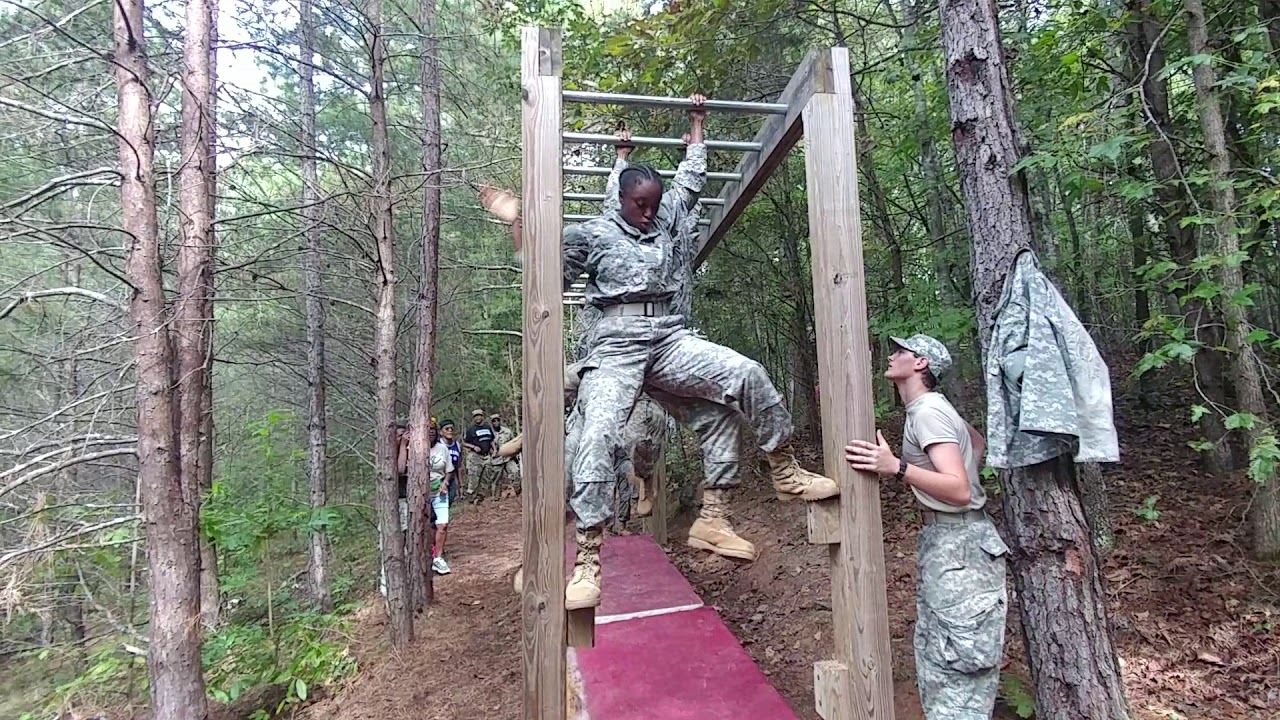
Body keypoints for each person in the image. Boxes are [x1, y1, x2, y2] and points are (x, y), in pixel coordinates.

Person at [491, 95, 840, 610]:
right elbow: (542, 273)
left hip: (670, 338)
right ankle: (588, 556)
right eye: (641, 204)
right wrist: (518, 223)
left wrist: (697, 125)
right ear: (623, 199)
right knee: (598, 436)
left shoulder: (665, 213)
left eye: (654, 202)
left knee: (744, 376)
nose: (650, 211)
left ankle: (781, 472)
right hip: (615, 344)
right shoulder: (594, 233)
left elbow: (692, 181)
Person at [844, 334, 1008, 719]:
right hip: (957, 545)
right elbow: (977, 442)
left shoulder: (927, 412)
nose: (892, 355)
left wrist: (896, 467)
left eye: (901, 351)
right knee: (944, 663)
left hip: (961, 547)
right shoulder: (933, 408)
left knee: (957, 674)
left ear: (921, 364)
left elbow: (959, 489)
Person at [429, 422, 455, 575]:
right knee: (426, 526)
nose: (430, 432)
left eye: (433, 429)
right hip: (421, 494)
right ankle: (427, 554)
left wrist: (445, 482)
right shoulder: (414, 448)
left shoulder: (442, 448)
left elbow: (449, 469)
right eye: (427, 430)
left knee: (442, 524)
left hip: (440, 491)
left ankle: (438, 557)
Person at [462, 409, 496, 500]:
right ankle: (471, 497)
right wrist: (473, 447)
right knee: (474, 478)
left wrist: (494, 449)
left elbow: (491, 439)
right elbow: (464, 443)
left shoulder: (487, 427)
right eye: (475, 416)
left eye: (479, 415)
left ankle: (480, 497)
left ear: (482, 416)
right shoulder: (471, 429)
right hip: (475, 456)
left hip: (486, 455)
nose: (477, 418)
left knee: (486, 477)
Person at [489, 413, 521, 498]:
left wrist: (515, 454)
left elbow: (514, 442)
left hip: (509, 457)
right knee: (496, 479)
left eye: (497, 420)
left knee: (515, 472)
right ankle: (496, 498)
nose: (496, 422)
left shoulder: (507, 431)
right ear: (491, 422)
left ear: (500, 421)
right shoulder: (489, 433)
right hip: (496, 459)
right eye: (494, 421)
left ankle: (516, 493)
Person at [439, 419, 463, 506]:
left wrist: (461, 484)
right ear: (441, 432)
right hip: (438, 480)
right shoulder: (438, 444)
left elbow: (458, 466)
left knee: (449, 502)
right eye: (447, 429)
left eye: (451, 429)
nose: (450, 431)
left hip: (452, 481)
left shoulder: (457, 445)